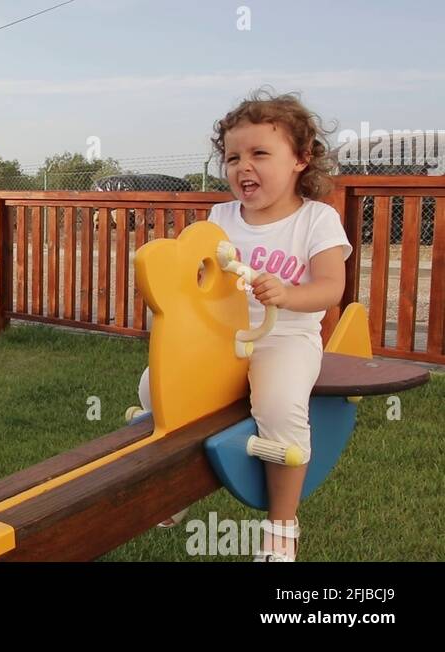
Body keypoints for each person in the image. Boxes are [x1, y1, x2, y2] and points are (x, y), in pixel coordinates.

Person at [139, 89, 352, 561]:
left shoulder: (317, 220)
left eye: (260, 153)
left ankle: (280, 528)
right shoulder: (221, 217)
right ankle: (179, 491)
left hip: (285, 336)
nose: (243, 166)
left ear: (301, 158)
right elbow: (201, 277)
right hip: (223, 337)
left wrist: (289, 294)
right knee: (154, 390)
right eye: (233, 156)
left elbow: (331, 287)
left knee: (279, 408)